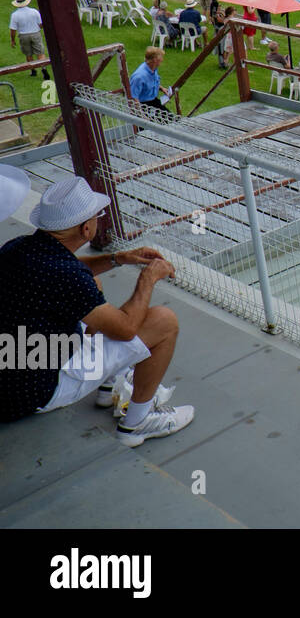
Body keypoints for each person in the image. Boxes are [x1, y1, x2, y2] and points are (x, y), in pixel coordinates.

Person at [0, 176, 195, 446]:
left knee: (93, 284)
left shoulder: (17, 247)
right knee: (164, 321)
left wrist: (117, 258)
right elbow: (126, 329)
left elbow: (69, 270)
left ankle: (107, 388)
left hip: (11, 373)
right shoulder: (68, 277)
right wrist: (148, 278)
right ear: (86, 228)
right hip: (35, 392)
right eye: (96, 215)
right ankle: (137, 423)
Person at [9, 0, 47, 79]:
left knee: (28, 53)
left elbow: (13, 30)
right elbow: (41, 24)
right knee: (40, 53)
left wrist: (12, 40)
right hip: (35, 33)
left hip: (23, 35)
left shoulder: (15, 15)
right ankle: (44, 69)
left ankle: (33, 70)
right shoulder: (34, 11)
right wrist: (38, 29)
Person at [129, 46, 172, 111]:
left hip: (153, 101)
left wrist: (161, 88)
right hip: (143, 105)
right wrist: (141, 114)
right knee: (166, 119)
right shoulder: (139, 76)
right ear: (155, 60)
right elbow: (133, 96)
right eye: (161, 58)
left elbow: (151, 82)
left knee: (171, 118)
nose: (162, 60)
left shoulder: (153, 68)